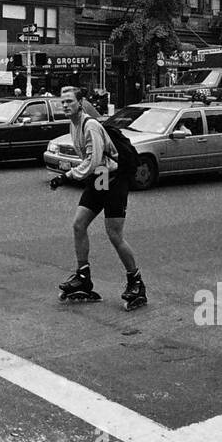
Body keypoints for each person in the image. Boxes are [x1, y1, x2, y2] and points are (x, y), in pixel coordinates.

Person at [52, 85, 145, 309]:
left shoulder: (90, 125)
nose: (65, 105)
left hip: (114, 179)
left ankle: (136, 281)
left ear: (80, 103)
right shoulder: (73, 125)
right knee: (78, 225)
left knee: (114, 234)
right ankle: (83, 277)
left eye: (70, 101)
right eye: (63, 102)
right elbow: (92, 163)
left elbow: (92, 161)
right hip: (99, 177)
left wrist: (67, 176)